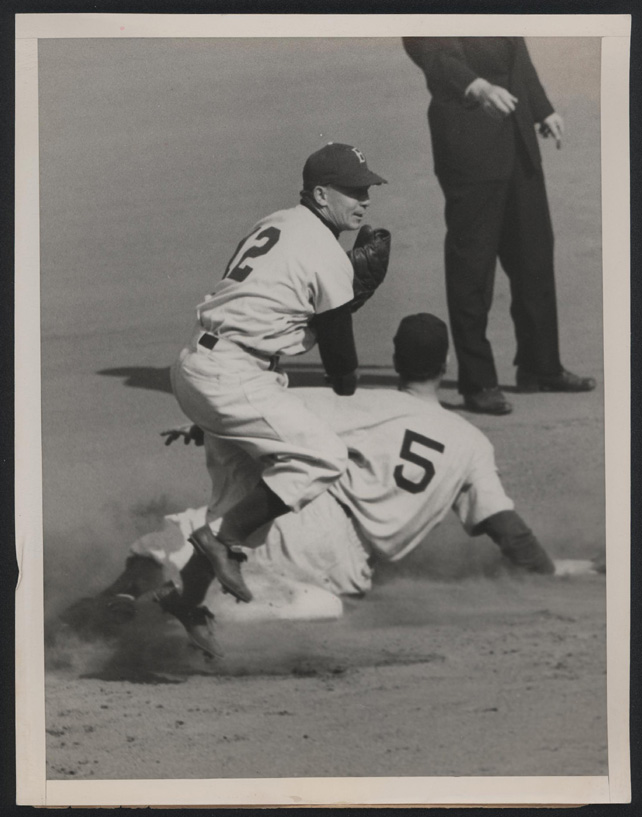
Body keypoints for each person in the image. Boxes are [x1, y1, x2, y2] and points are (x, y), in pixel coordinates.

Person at [62, 314, 556, 659]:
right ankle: (190, 615)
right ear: (444, 366)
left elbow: (263, 411)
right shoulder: (470, 442)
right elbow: (508, 530)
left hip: (306, 513)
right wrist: (547, 572)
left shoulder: (355, 402)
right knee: (311, 598)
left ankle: (111, 603)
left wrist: (199, 428)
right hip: (348, 567)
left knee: (189, 534)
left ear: (398, 360)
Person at [170, 142, 388, 604]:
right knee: (324, 457)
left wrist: (343, 299)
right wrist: (352, 298)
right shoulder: (327, 255)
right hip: (232, 376)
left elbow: (268, 302)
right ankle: (220, 539)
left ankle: (185, 600)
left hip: (199, 364)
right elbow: (343, 373)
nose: (364, 200)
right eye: (353, 191)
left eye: (366, 189)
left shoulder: (275, 222)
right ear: (322, 194)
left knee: (244, 494)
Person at [402, 37, 595, 415]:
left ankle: (541, 367)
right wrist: (476, 86)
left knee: (534, 256)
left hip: (518, 137)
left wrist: (542, 109)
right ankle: (479, 382)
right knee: (473, 267)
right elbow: (427, 47)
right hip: (469, 137)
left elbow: (517, 56)